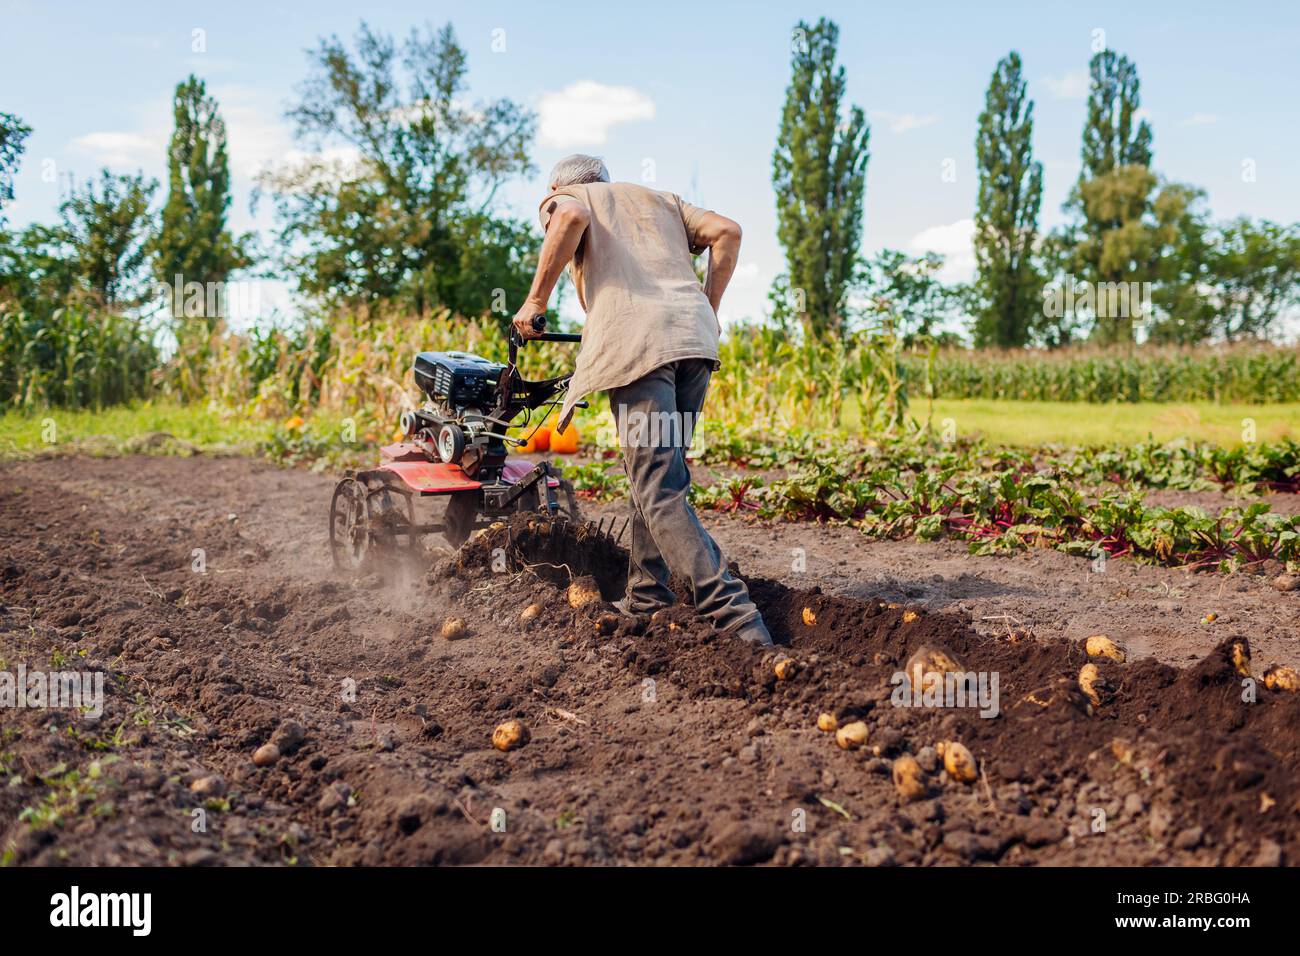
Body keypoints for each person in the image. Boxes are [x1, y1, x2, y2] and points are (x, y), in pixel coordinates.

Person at [512, 154, 773, 647]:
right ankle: (649, 596)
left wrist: (535, 302)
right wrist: (708, 306)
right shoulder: (663, 200)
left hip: (641, 348)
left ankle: (736, 616)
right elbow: (728, 232)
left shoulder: (567, 199)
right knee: (656, 478)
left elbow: (568, 219)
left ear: (553, 187)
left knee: (658, 487)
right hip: (694, 344)